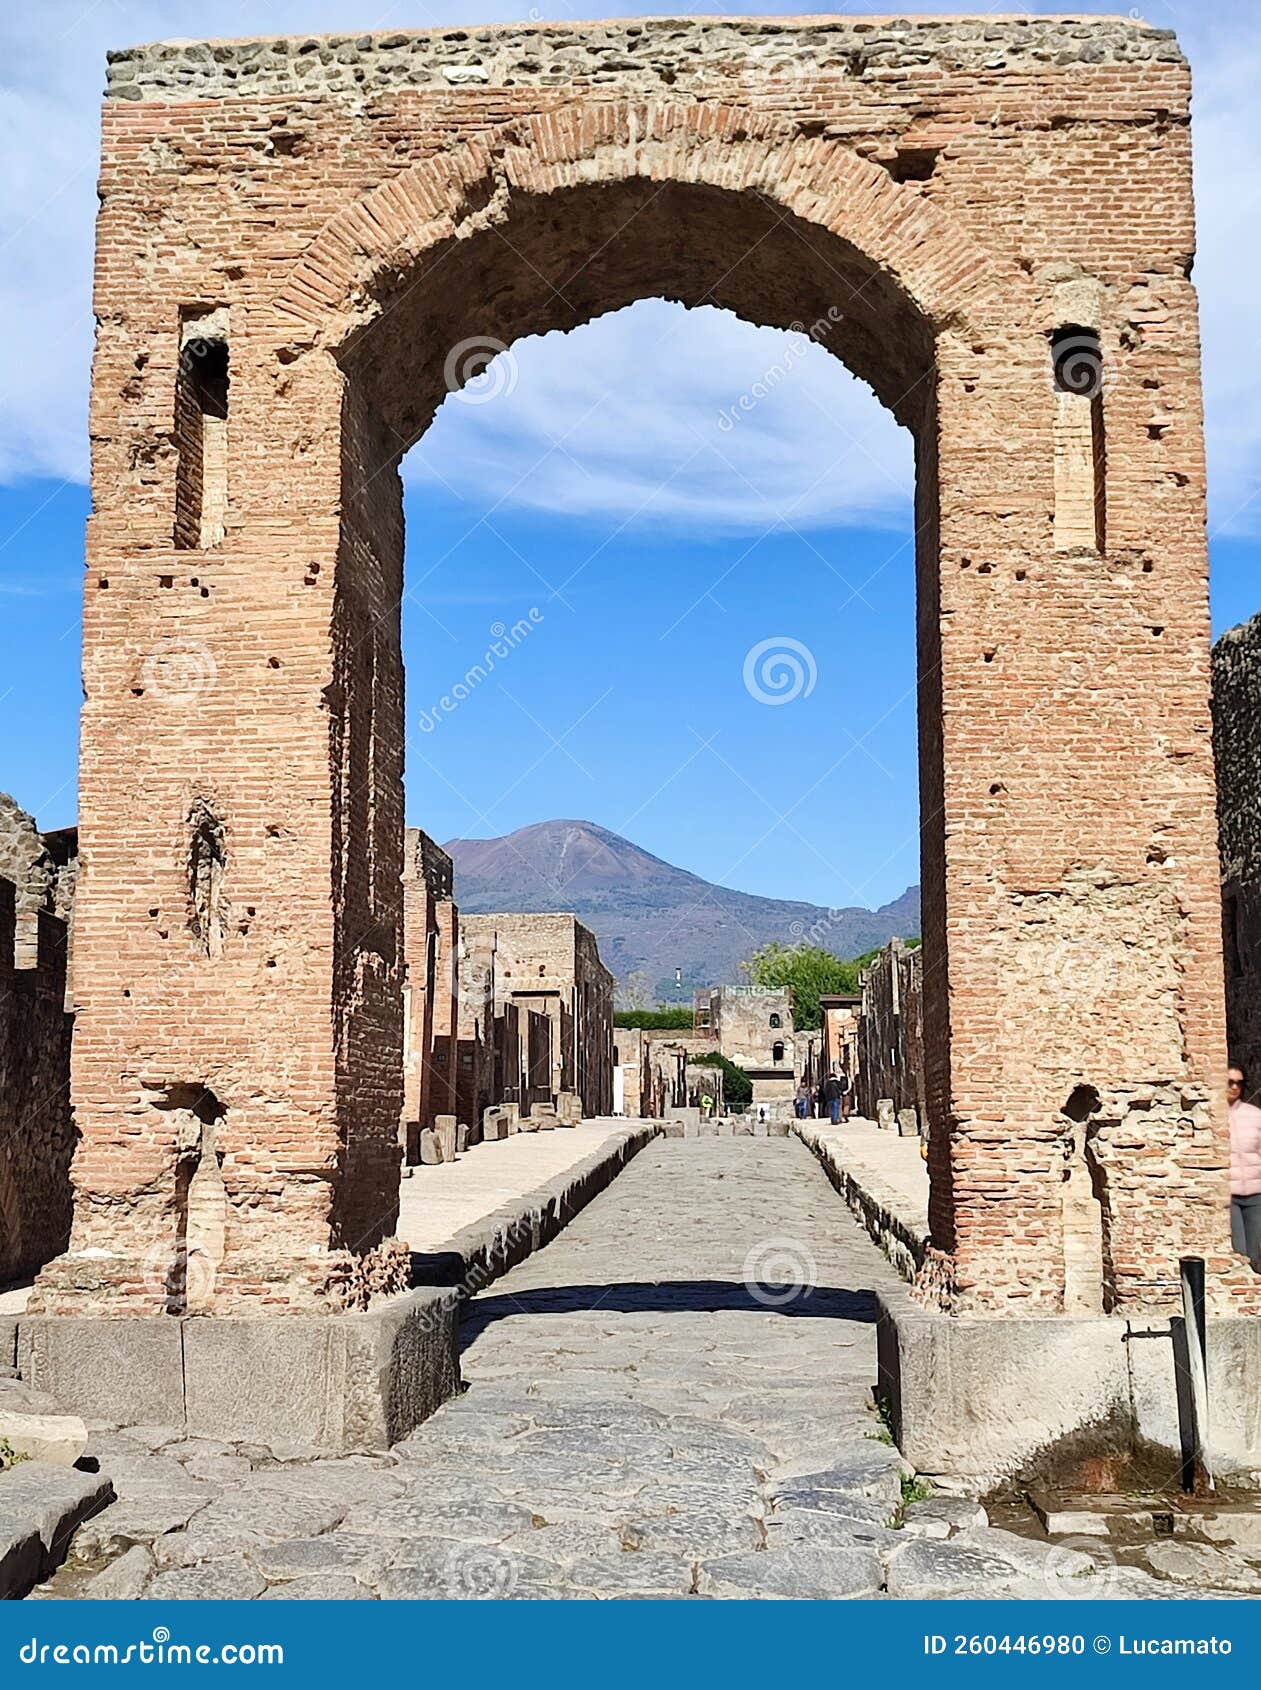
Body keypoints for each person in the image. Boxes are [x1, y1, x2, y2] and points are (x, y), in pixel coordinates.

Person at [1229, 1063, 1261, 1266]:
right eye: (1229, 1082)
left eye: (1239, 1083)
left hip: (1256, 1193)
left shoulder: (1255, 1115)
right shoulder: (1208, 1115)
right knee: (1238, 1252)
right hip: (1228, 1195)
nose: (1234, 1087)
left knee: (1256, 1252)